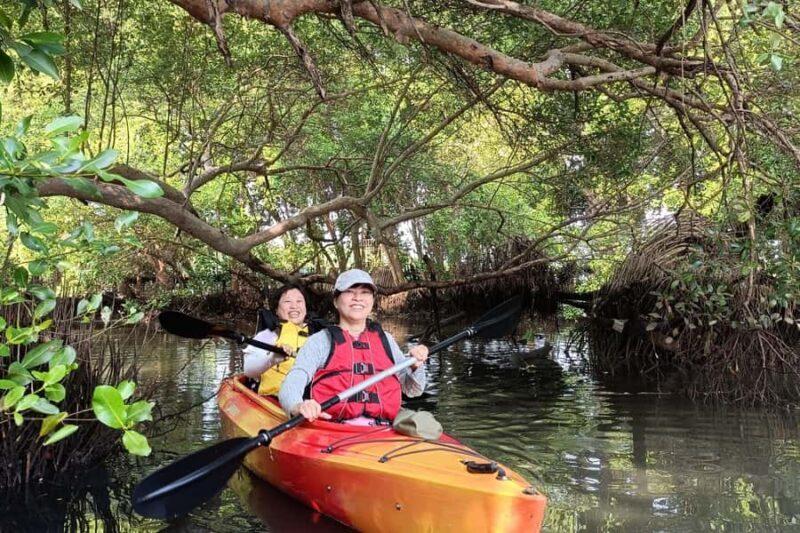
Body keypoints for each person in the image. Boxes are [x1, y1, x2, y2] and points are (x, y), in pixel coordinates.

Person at [279, 269, 428, 425]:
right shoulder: (320, 341)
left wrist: (416, 366)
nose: (358, 298)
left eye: (365, 292)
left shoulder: (386, 340)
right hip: (333, 429)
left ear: (372, 300)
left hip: (384, 430)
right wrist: (297, 405)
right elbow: (294, 379)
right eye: (350, 292)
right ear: (336, 301)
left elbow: (413, 391)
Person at [243, 284, 313, 396]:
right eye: (287, 301)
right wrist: (273, 358)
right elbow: (248, 370)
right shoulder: (268, 335)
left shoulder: (319, 336)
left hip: (311, 401)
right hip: (273, 400)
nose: (294, 306)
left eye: (299, 301)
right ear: (276, 310)